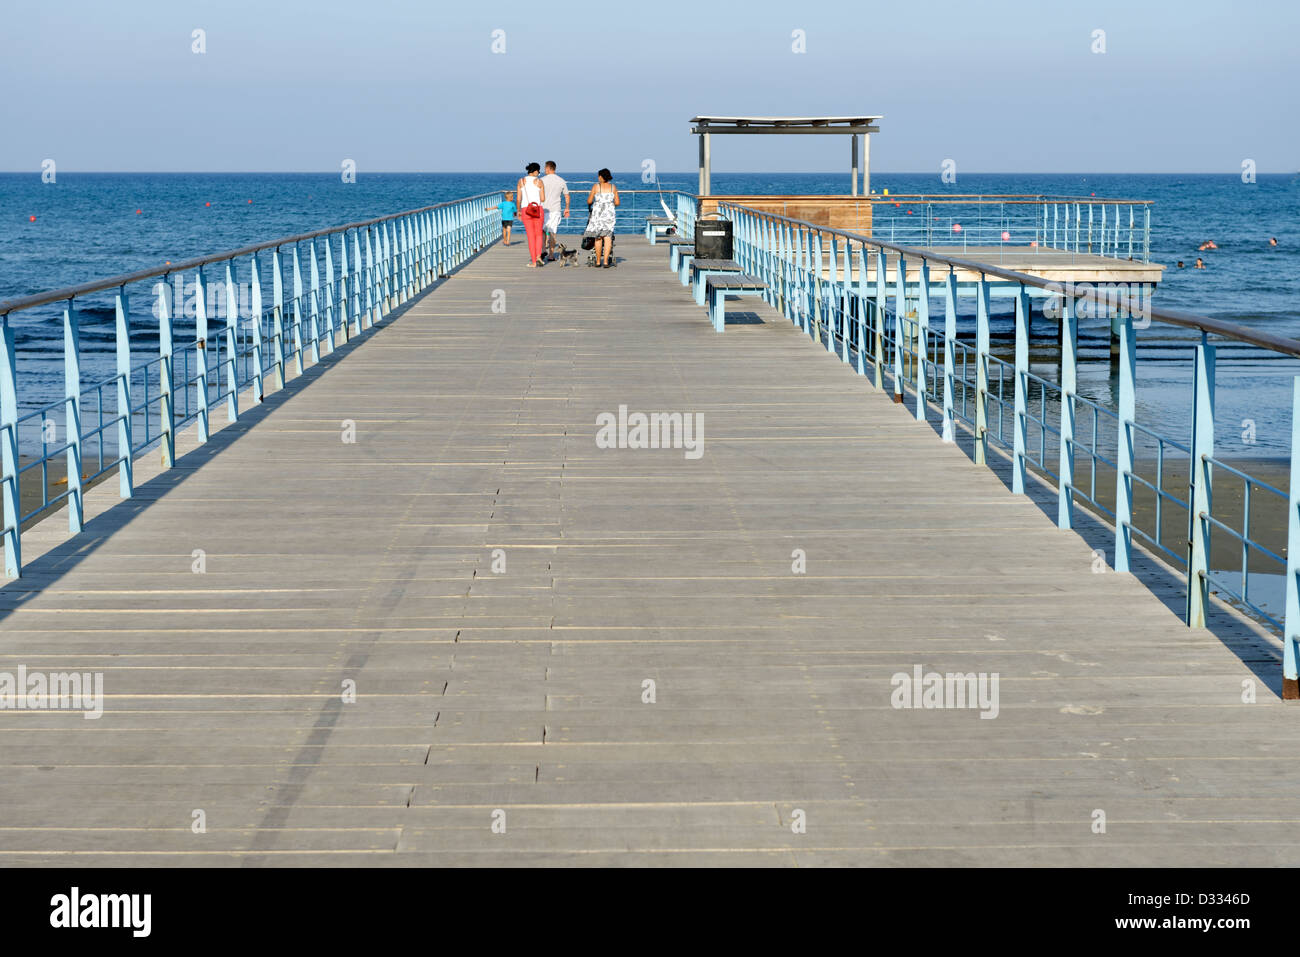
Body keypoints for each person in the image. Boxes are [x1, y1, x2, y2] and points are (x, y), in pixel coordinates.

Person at [584, 169, 619, 268]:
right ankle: (606, 262)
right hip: (609, 214)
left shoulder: (596, 187)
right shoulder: (613, 187)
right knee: (608, 238)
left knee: (598, 238)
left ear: (601, 177)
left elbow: (589, 200)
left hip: (598, 215)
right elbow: (617, 202)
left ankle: (598, 261)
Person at [517, 163, 547, 267]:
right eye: (539, 171)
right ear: (535, 171)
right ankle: (539, 256)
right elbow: (543, 199)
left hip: (526, 210)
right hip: (538, 209)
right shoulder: (539, 181)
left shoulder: (521, 181)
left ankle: (534, 262)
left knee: (530, 236)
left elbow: (518, 199)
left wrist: (519, 211)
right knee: (539, 235)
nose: (539, 173)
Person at [540, 161, 570, 261]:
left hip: (543, 209)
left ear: (548, 168)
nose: (544, 170)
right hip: (555, 210)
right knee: (552, 232)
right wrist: (567, 208)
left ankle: (543, 249)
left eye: (545, 168)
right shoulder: (561, 181)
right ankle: (551, 255)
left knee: (543, 231)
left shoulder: (541, 180)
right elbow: (566, 196)